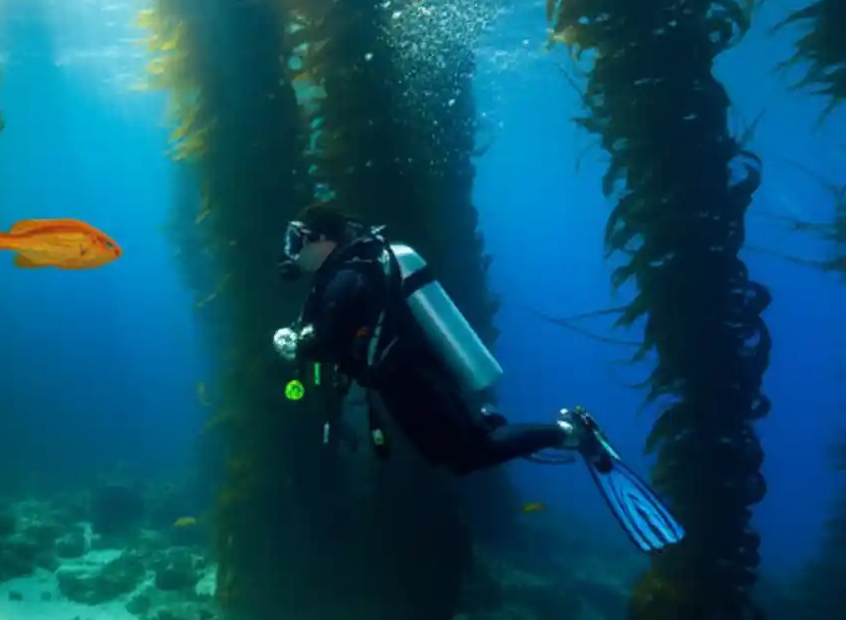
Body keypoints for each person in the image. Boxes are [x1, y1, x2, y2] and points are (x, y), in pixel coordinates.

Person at [271, 202, 685, 554]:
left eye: (297, 240)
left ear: (323, 239)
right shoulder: (349, 270)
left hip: (413, 382)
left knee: (468, 455)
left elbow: (327, 339)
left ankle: (572, 432)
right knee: (454, 453)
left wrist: (294, 344)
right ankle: (491, 421)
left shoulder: (347, 277)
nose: (292, 251)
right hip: (407, 381)